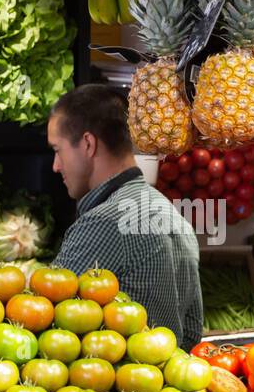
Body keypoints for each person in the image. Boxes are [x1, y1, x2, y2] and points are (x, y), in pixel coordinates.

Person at [47, 84, 203, 351]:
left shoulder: (104, 223)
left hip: (117, 390)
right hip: (164, 386)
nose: (55, 166)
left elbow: (43, 319)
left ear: (87, 144)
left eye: (57, 150)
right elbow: (191, 330)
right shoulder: (169, 212)